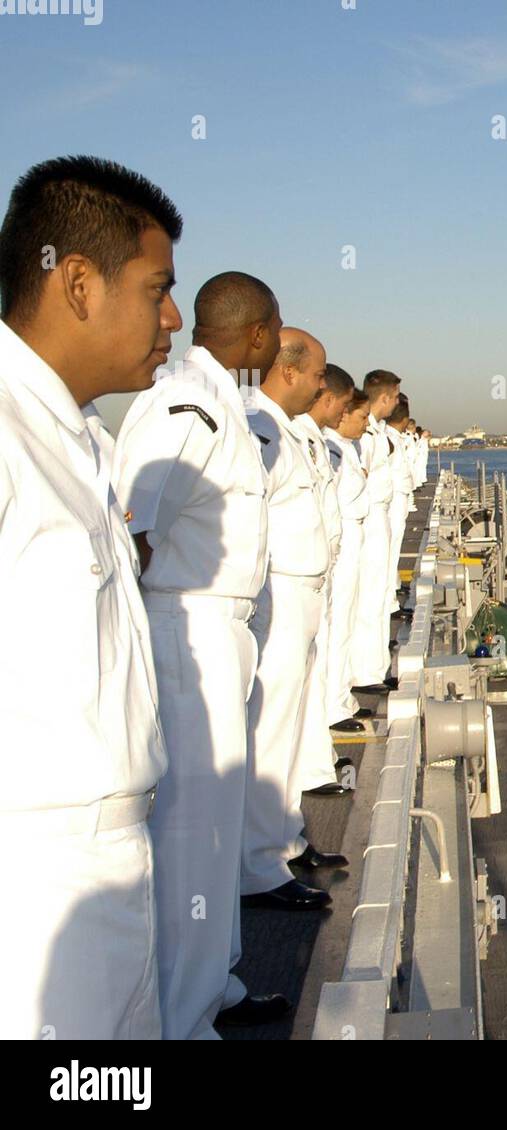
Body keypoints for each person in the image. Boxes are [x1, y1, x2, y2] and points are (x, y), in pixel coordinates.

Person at [0, 155, 178, 1039]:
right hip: (33, 891)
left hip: (114, 863)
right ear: (77, 283)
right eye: (157, 289)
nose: (171, 318)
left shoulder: (79, 440)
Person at [114, 271, 291, 1037]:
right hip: (185, 630)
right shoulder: (183, 407)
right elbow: (131, 527)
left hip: (221, 632)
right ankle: (183, 1020)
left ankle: (212, 986)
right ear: (254, 336)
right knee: (190, 834)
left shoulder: (222, 404)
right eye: (275, 334)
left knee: (213, 830)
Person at [241, 328, 332, 909]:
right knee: (270, 727)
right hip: (277, 593)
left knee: (292, 724)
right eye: (319, 373)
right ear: (289, 370)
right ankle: (259, 866)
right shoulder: (260, 428)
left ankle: (286, 839)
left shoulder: (287, 430)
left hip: (305, 591)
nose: (325, 384)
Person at [290, 362, 352, 803]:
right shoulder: (283, 437)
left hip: (317, 570)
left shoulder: (311, 442)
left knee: (311, 675)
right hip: (287, 581)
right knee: (281, 703)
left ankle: (313, 768)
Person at [351, 370, 401, 694]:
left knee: (380, 594)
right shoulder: (365, 433)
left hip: (378, 514)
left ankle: (376, 665)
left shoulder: (377, 430)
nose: (396, 402)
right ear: (383, 397)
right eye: (395, 396)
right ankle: (364, 673)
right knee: (368, 596)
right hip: (367, 516)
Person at [324, 387, 371, 733]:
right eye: (361, 416)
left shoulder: (344, 448)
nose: (365, 424)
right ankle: (333, 706)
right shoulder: (329, 448)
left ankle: (341, 699)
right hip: (336, 543)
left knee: (346, 620)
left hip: (350, 535)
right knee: (336, 624)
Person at [386, 394, 415, 615]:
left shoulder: (392, 439)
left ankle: (391, 590)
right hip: (390, 500)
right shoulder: (386, 439)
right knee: (388, 551)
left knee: (392, 550)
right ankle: (389, 598)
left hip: (397, 498)